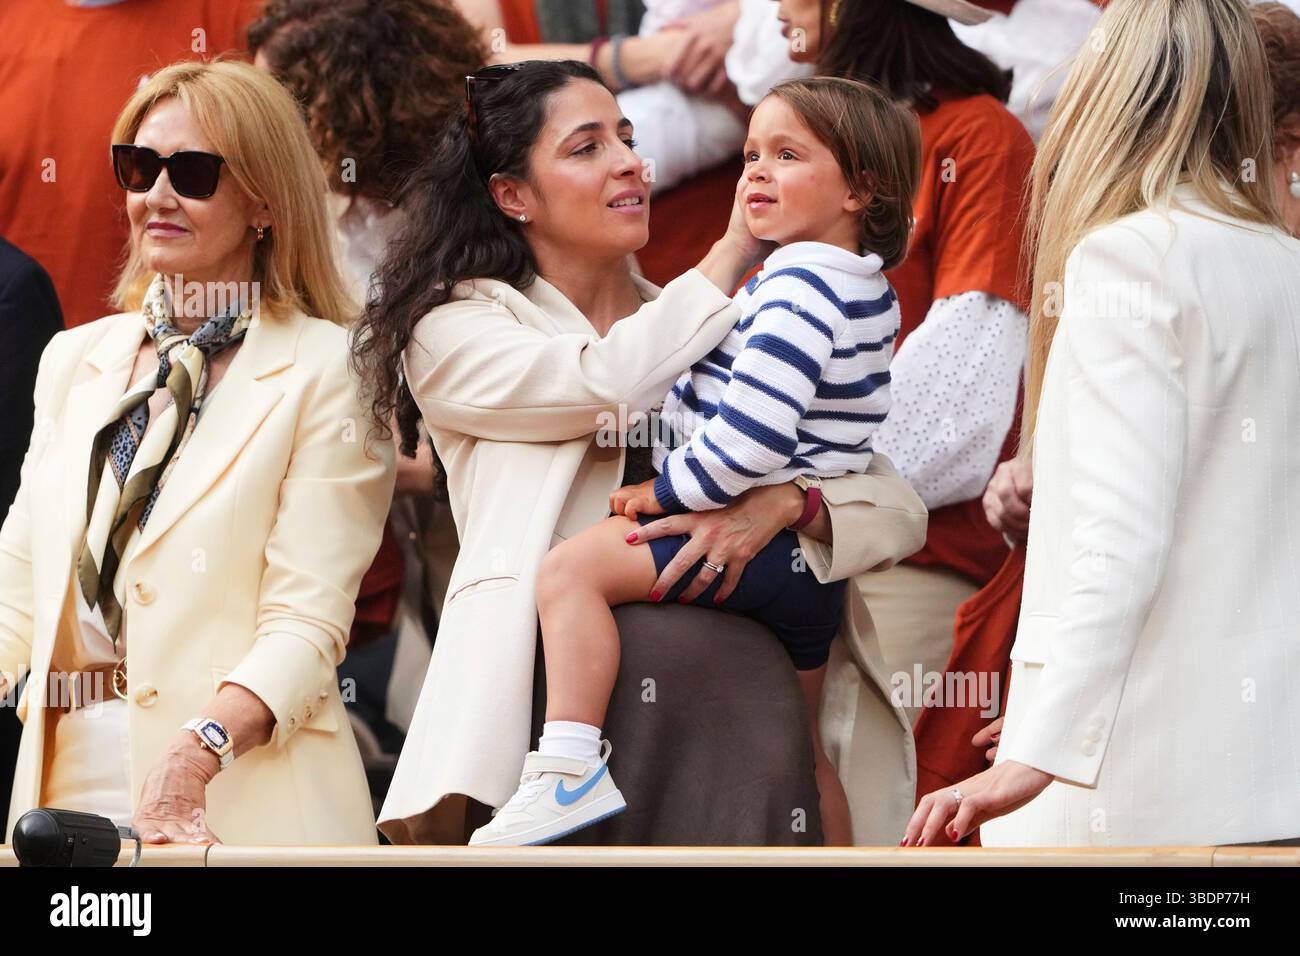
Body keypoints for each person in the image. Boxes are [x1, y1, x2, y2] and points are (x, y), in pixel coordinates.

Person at [354, 59, 929, 846]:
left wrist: (792, 504)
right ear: (512, 195)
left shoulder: (705, 321)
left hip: (744, 717)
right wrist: (731, 254)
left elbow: (896, 505)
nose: (630, 161)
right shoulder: (456, 329)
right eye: (587, 147)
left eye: (627, 138)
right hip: (551, 727)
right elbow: (603, 381)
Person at [908, 0, 1300, 848]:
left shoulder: (1130, 257)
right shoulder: (1283, 265)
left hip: (1137, 792)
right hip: (1260, 778)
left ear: (1112, 94)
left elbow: (1121, 537)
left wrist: (1040, 746)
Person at [0, 60, 395, 845]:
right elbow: (18, 582)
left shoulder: (329, 368)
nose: (157, 195)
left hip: (246, 803)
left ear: (263, 202)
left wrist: (195, 753)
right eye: (140, 167)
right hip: (63, 799)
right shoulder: (73, 359)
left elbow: (308, 620)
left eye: (194, 173)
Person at [0, 0, 263, 329]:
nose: (156, 196)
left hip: (199, 346)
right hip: (33, 348)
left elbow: (285, 181)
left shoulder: (237, 17)